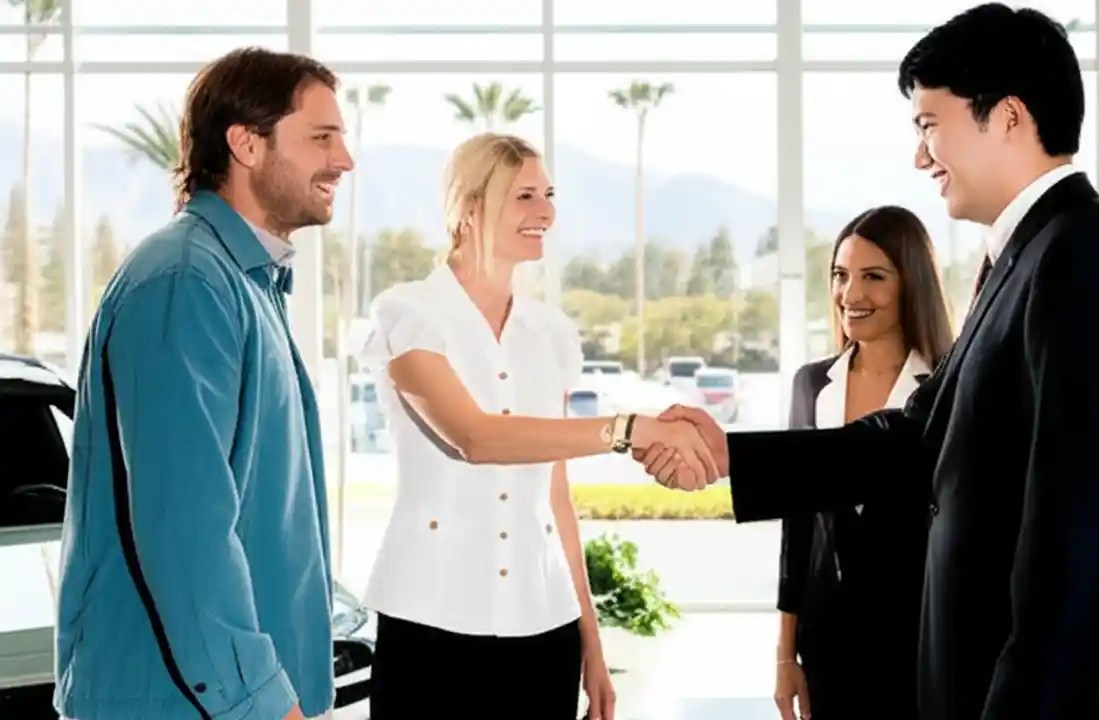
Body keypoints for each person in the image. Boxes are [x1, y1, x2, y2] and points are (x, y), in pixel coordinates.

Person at [641, 4, 1099, 719]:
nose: (921, 158)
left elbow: (1081, 550)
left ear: (1009, 116)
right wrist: (728, 456)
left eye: (930, 125)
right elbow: (914, 438)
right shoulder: (1023, 258)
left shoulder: (1085, 259)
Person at [357, 133, 716, 720]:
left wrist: (591, 644)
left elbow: (555, 498)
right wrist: (631, 429)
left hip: (545, 628)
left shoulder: (550, 333)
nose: (545, 211)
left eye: (548, 195)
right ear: (469, 207)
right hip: (430, 622)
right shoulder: (409, 314)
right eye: (524, 195)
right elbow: (475, 438)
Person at [54, 48, 352, 720]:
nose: (344, 160)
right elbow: (185, 530)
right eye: (322, 137)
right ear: (246, 144)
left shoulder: (243, 282)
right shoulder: (186, 282)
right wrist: (260, 703)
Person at [769, 206, 953, 720]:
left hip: (923, 648)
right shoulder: (811, 385)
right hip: (828, 646)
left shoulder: (948, 388)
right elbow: (797, 528)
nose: (850, 294)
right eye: (840, 275)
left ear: (911, 283)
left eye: (873, 276)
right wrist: (785, 654)